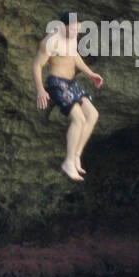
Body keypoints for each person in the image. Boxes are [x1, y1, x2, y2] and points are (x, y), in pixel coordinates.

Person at [32, 13, 103, 182]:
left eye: (78, 29)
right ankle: (68, 162)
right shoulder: (51, 42)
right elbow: (37, 65)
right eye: (73, 29)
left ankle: (76, 155)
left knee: (92, 115)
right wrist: (40, 90)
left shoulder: (72, 39)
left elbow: (75, 57)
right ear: (62, 26)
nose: (75, 32)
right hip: (56, 83)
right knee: (78, 119)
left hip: (71, 83)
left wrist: (90, 74)